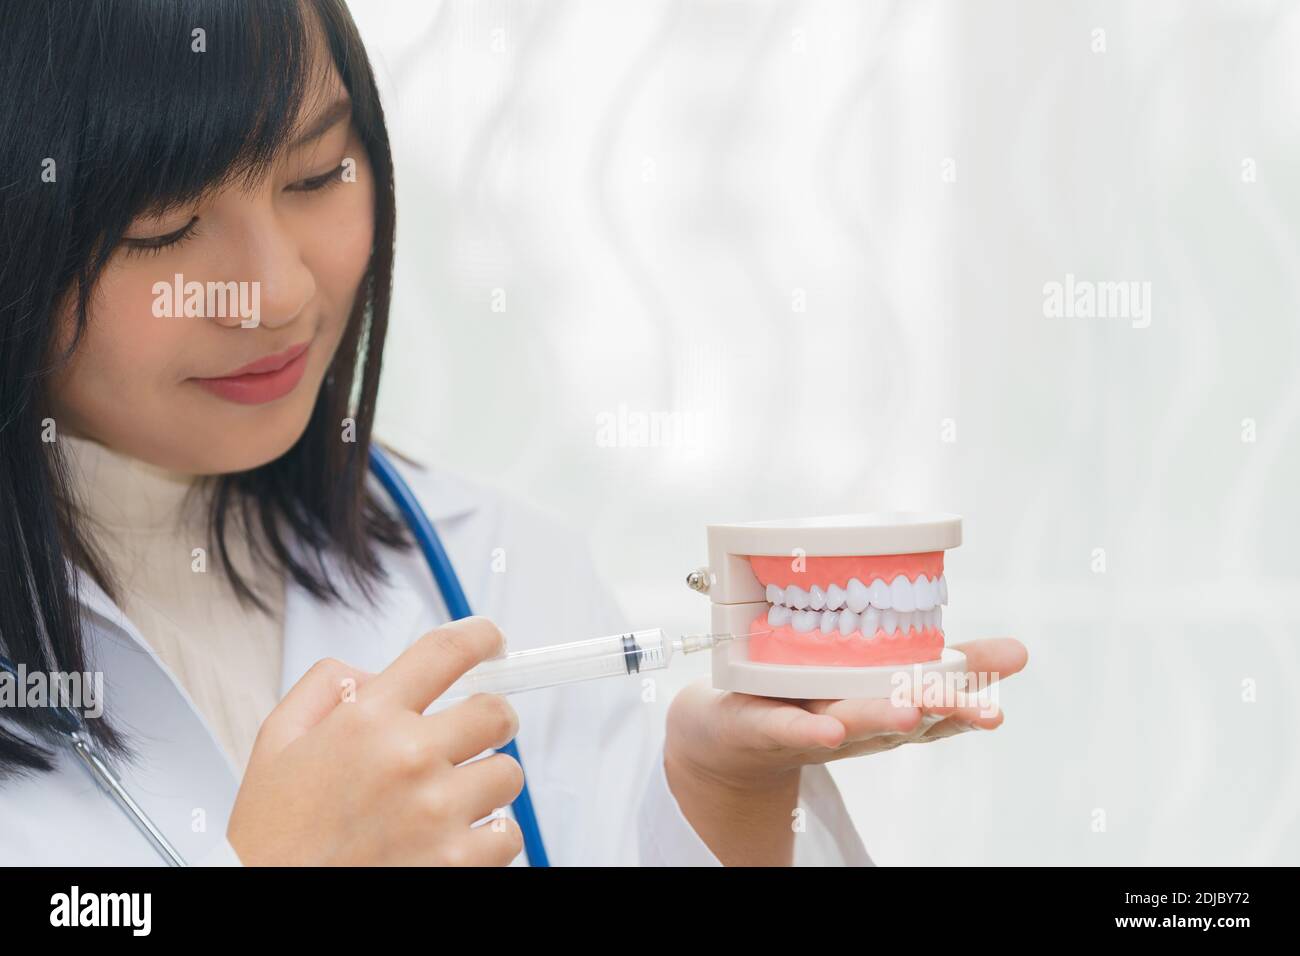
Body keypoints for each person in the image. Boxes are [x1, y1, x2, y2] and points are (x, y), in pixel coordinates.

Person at [0, 0, 1027, 866]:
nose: (277, 293)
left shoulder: (495, 565)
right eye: (163, 229)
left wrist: (728, 794)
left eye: (314, 176)